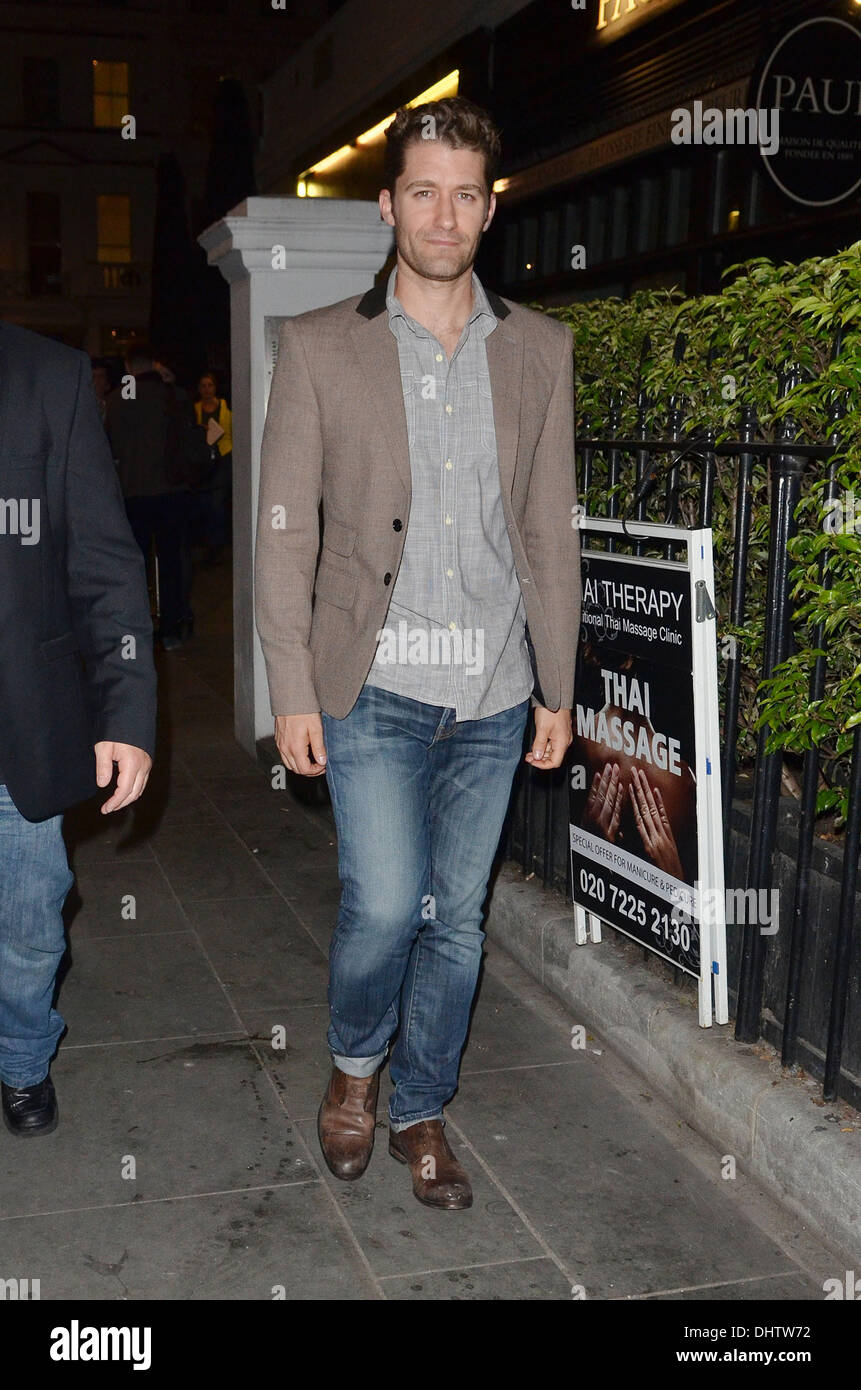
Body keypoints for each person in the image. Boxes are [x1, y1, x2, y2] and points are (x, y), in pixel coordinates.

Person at [255, 96, 580, 1210]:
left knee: (459, 919)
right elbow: (283, 530)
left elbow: (548, 529)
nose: (445, 214)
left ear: (491, 210)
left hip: (492, 691)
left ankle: (421, 1109)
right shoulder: (317, 346)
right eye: (424, 192)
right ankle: (355, 1069)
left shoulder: (540, 350)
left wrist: (558, 684)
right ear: (389, 203)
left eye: (467, 194)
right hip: (376, 685)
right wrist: (291, 686)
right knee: (387, 906)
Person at [0, 321, 156, 1137]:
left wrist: (126, 712)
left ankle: (23, 1058)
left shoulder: (46, 377)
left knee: (29, 921)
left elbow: (103, 561)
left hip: (19, 726)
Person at [105, 343, 193, 650]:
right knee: (171, 562)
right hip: (170, 490)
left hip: (132, 493)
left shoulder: (116, 401)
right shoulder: (175, 396)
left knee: (136, 563)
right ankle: (171, 628)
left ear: (129, 367)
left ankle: (137, 626)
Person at [193, 372, 233, 564]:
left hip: (222, 459)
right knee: (204, 504)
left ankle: (217, 545)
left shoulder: (227, 409)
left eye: (210, 385)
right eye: (203, 386)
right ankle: (207, 542)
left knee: (218, 504)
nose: (207, 390)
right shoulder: (194, 410)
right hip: (202, 462)